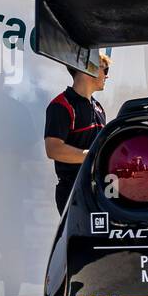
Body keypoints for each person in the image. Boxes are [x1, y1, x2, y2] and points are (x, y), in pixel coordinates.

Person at [44, 51, 110, 214]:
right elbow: (53, 149)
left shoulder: (99, 107)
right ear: (88, 69)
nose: (107, 76)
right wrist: (93, 156)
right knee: (80, 240)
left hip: (99, 189)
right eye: (105, 69)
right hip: (73, 190)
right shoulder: (61, 105)